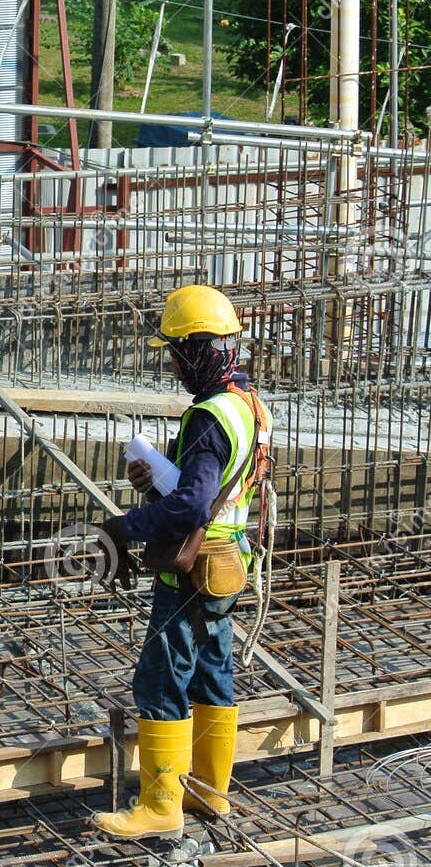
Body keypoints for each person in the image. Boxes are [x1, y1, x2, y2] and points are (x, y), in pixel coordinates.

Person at [87, 285, 272, 839]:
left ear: (196, 349)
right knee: (214, 671)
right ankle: (210, 794)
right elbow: (217, 488)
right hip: (229, 564)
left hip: (192, 570)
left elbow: (193, 504)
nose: (171, 364)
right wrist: (163, 477)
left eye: (174, 352)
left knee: (163, 678)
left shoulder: (208, 416)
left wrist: (118, 529)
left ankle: (161, 804)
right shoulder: (249, 404)